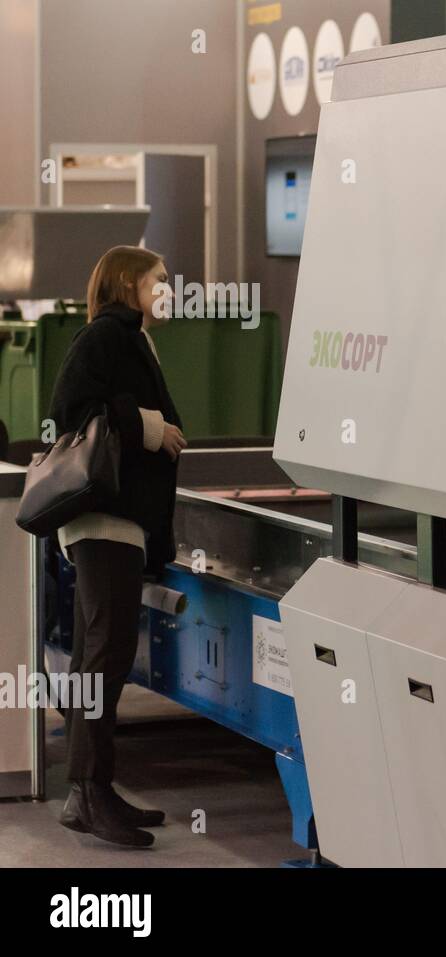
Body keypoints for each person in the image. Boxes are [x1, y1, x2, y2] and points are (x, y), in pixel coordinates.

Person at [48, 245, 186, 848]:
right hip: (102, 521)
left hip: (115, 523)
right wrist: (151, 429)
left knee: (91, 658)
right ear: (130, 283)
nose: (169, 288)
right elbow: (72, 411)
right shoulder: (106, 334)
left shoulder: (129, 337)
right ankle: (90, 788)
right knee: (106, 656)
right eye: (160, 280)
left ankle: (89, 794)